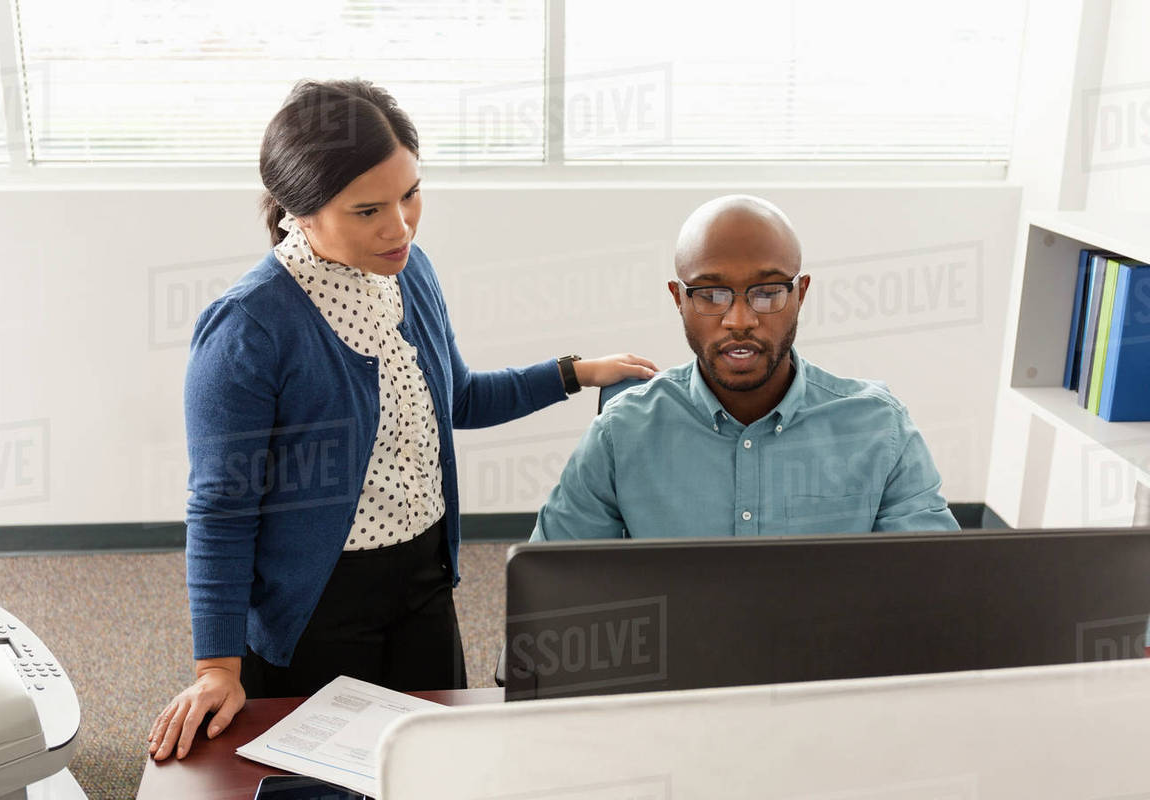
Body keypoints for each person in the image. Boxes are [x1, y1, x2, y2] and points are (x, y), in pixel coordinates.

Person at [147, 79, 657, 761]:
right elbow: (220, 508)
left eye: (410, 194)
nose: (400, 226)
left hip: (423, 581)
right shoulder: (248, 329)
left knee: (437, 764)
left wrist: (575, 372)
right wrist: (216, 667)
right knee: (331, 779)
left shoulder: (410, 274)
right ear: (301, 211)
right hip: (317, 604)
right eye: (367, 210)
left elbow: (460, 397)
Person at [532, 194, 959, 542]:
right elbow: (554, 584)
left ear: (801, 294)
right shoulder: (620, 434)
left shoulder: (879, 428)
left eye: (768, 292)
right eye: (711, 295)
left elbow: (934, 585)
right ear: (679, 299)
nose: (740, 320)